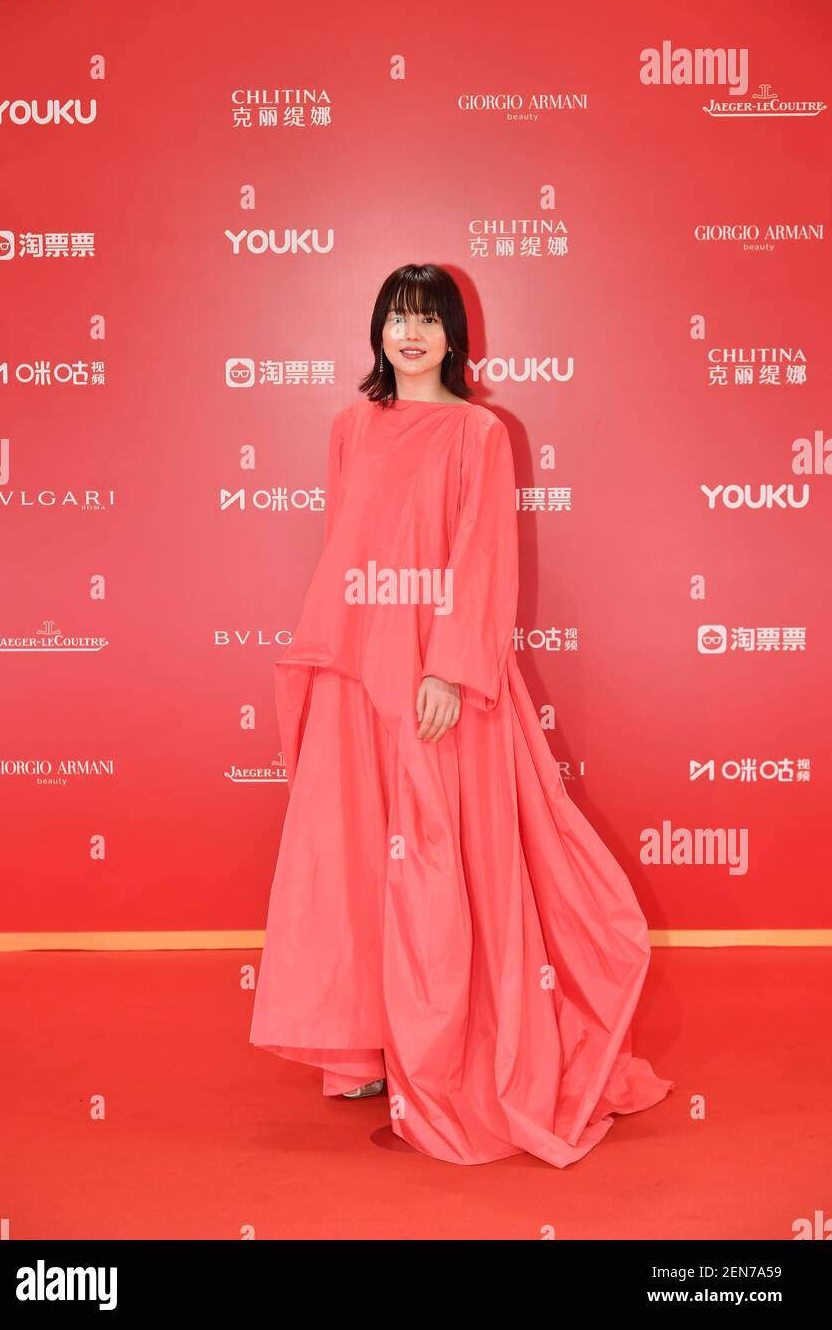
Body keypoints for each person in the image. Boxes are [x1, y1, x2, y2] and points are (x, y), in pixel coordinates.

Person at [249, 263, 674, 1167]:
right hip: (356, 676)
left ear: (453, 337)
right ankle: (367, 1047)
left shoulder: (479, 433)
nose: (411, 335)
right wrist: (337, 663)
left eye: (428, 320)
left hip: (442, 685)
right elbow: (345, 550)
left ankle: (438, 1058)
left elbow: (481, 556)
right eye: (397, 318)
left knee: (439, 865)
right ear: (377, 331)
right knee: (360, 856)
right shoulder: (349, 428)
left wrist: (448, 669)